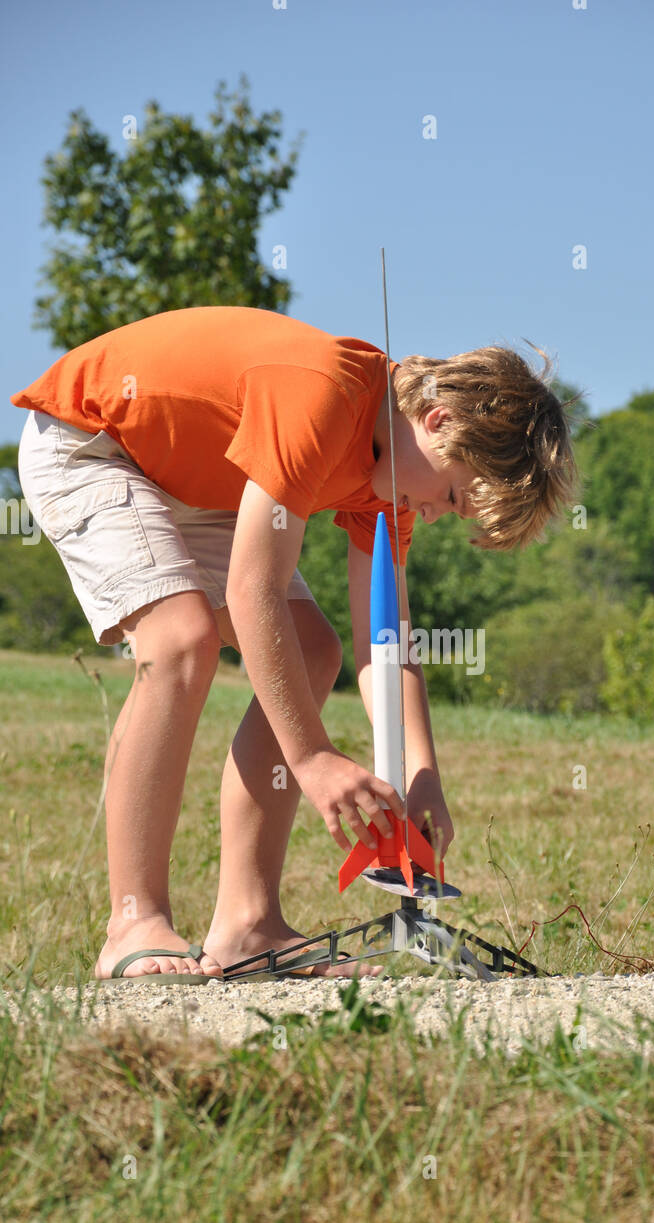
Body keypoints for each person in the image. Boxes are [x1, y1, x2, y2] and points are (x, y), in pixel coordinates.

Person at [11, 306, 574, 980]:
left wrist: (421, 772)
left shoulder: (391, 480)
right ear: (437, 422)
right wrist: (309, 757)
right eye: (451, 498)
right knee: (180, 640)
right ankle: (133, 922)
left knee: (311, 652)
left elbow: (385, 643)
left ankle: (248, 927)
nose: (428, 516)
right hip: (95, 440)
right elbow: (255, 592)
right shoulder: (324, 396)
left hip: (201, 478)